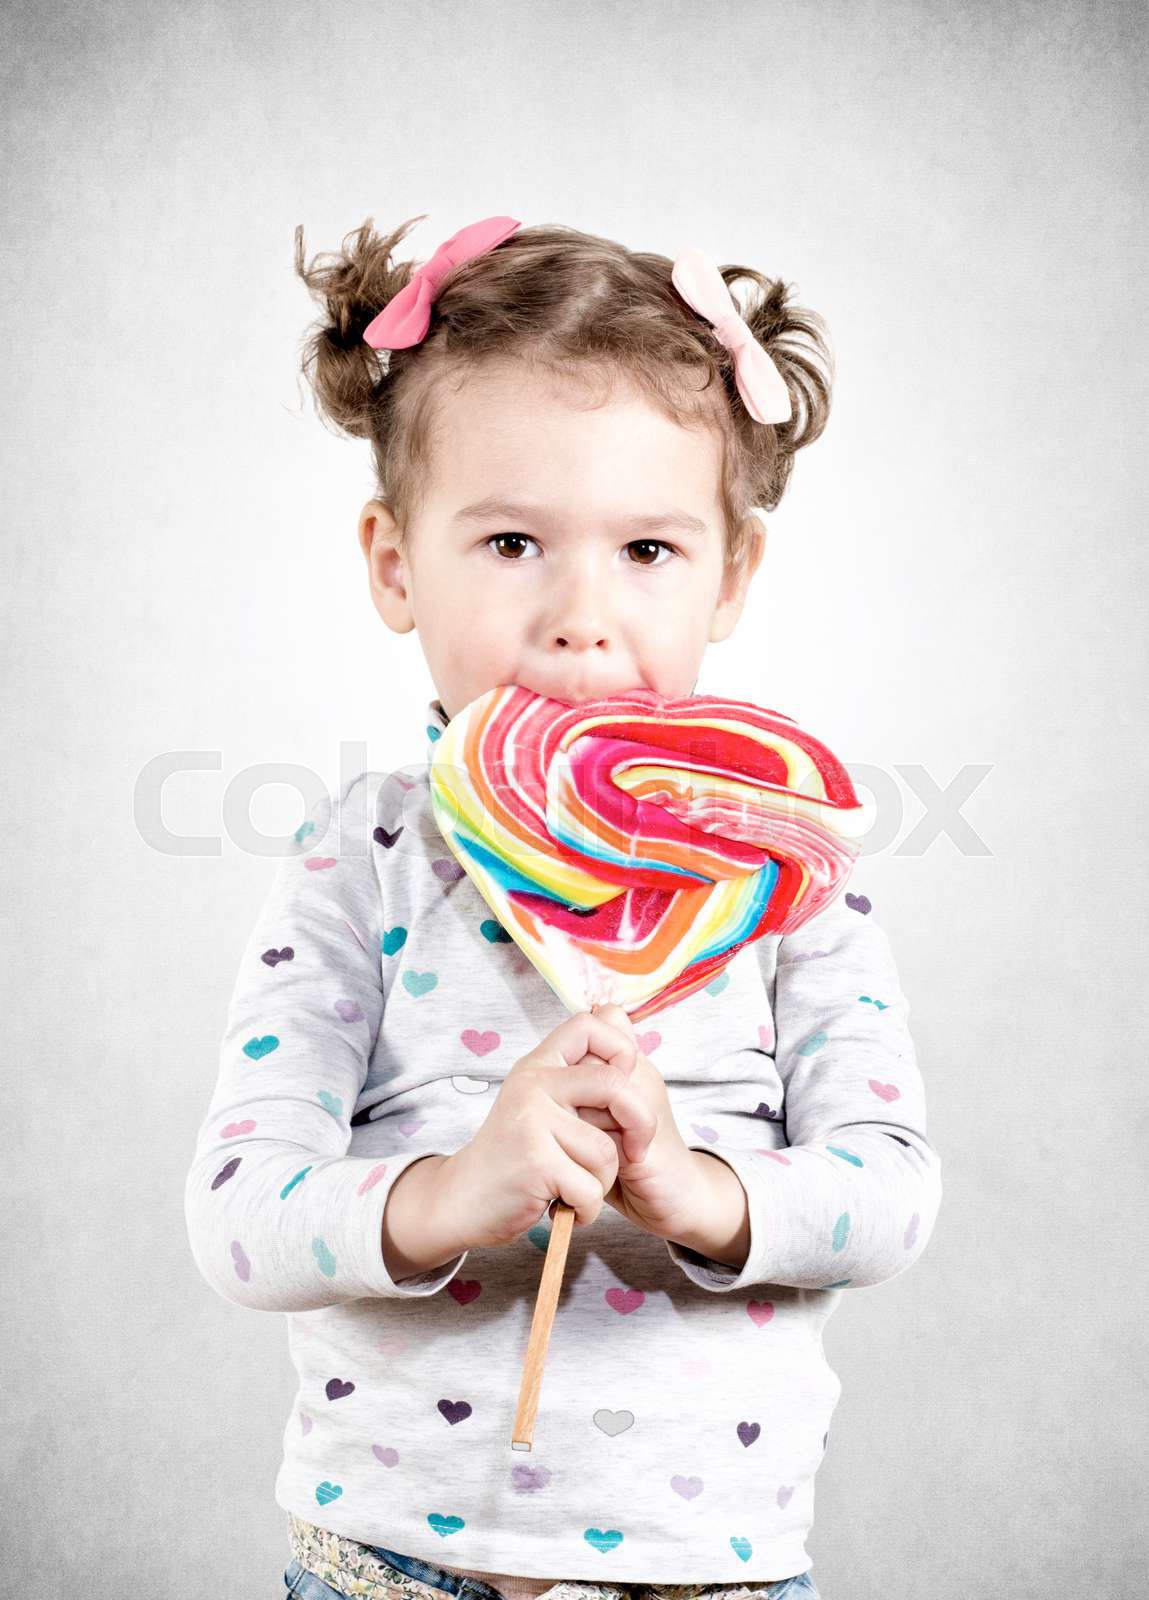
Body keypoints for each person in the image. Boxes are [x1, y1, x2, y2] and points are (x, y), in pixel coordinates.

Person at [183, 213, 943, 1600]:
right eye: (514, 541)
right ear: (394, 563)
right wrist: (453, 1195)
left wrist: (690, 1189)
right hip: (393, 1565)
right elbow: (240, 1216)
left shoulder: (785, 870)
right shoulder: (362, 858)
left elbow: (890, 1193)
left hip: (714, 1571)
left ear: (732, 576)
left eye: (647, 551)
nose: (582, 615)